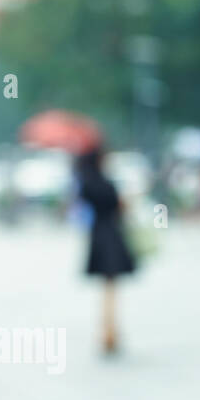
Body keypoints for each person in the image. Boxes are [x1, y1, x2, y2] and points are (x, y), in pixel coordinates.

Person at [74, 143, 136, 354]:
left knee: (107, 287)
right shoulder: (104, 183)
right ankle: (110, 332)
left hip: (96, 235)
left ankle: (108, 331)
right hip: (111, 235)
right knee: (111, 287)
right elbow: (119, 207)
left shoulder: (85, 182)